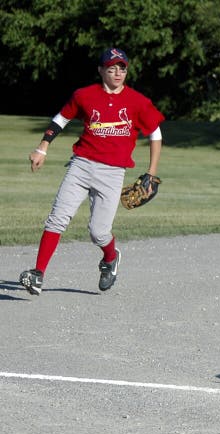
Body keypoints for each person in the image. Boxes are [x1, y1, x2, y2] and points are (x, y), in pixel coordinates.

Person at [19, 47, 164, 295]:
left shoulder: (137, 101)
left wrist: (151, 172)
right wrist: (42, 147)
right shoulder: (84, 95)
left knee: (98, 233)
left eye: (122, 68)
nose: (117, 72)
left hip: (113, 173)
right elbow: (61, 119)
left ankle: (110, 258)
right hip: (81, 165)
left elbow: (155, 133)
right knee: (57, 218)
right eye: (112, 68)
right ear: (100, 70)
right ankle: (38, 274)